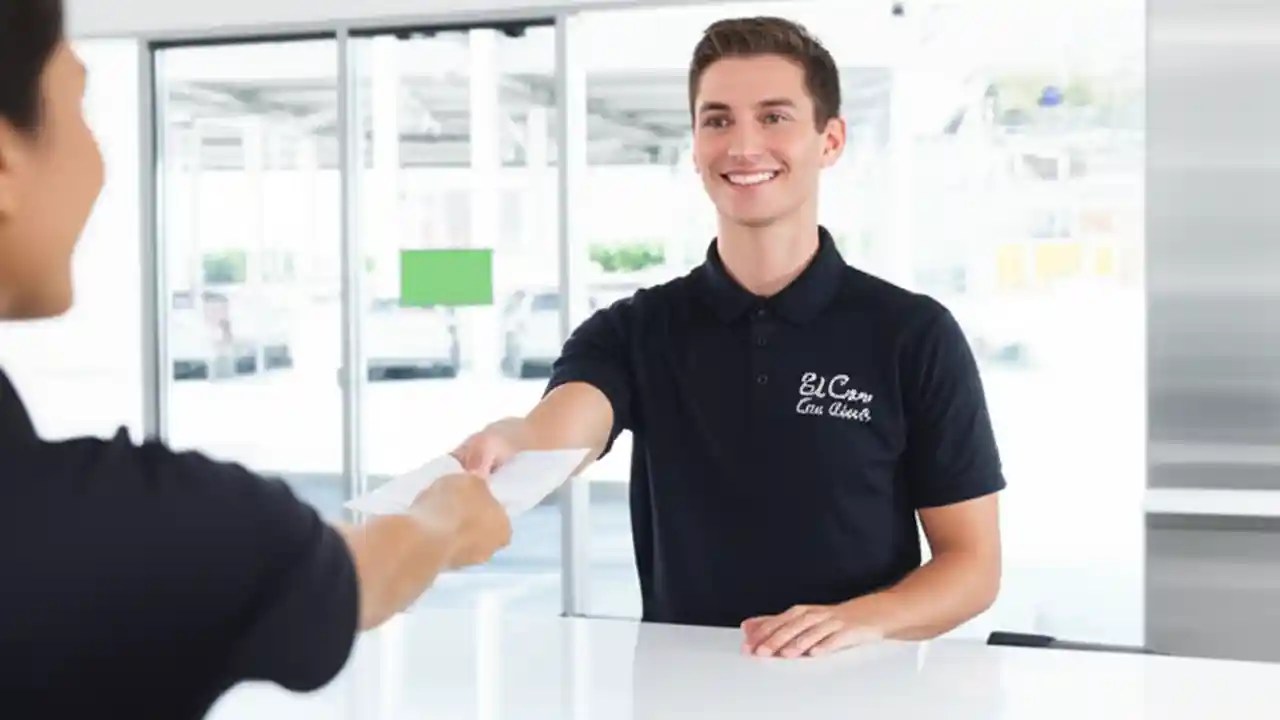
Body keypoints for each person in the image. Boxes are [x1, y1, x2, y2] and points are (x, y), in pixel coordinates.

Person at [0, 0, 511, 715]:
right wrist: (447, 517)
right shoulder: (146, 535)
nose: (98, 164)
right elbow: (353, 571)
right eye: (78, 105)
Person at [455, 16, 1004, 659]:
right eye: (717, 121)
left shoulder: (912, 333)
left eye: (774, 117)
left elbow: (972, 565)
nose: (743, 145)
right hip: (681, 692)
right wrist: (513, 442)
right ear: (695, 146)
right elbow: (563, 426)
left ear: (829, 140)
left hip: (862, 691)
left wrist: (859, 620)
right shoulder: (635, 329)